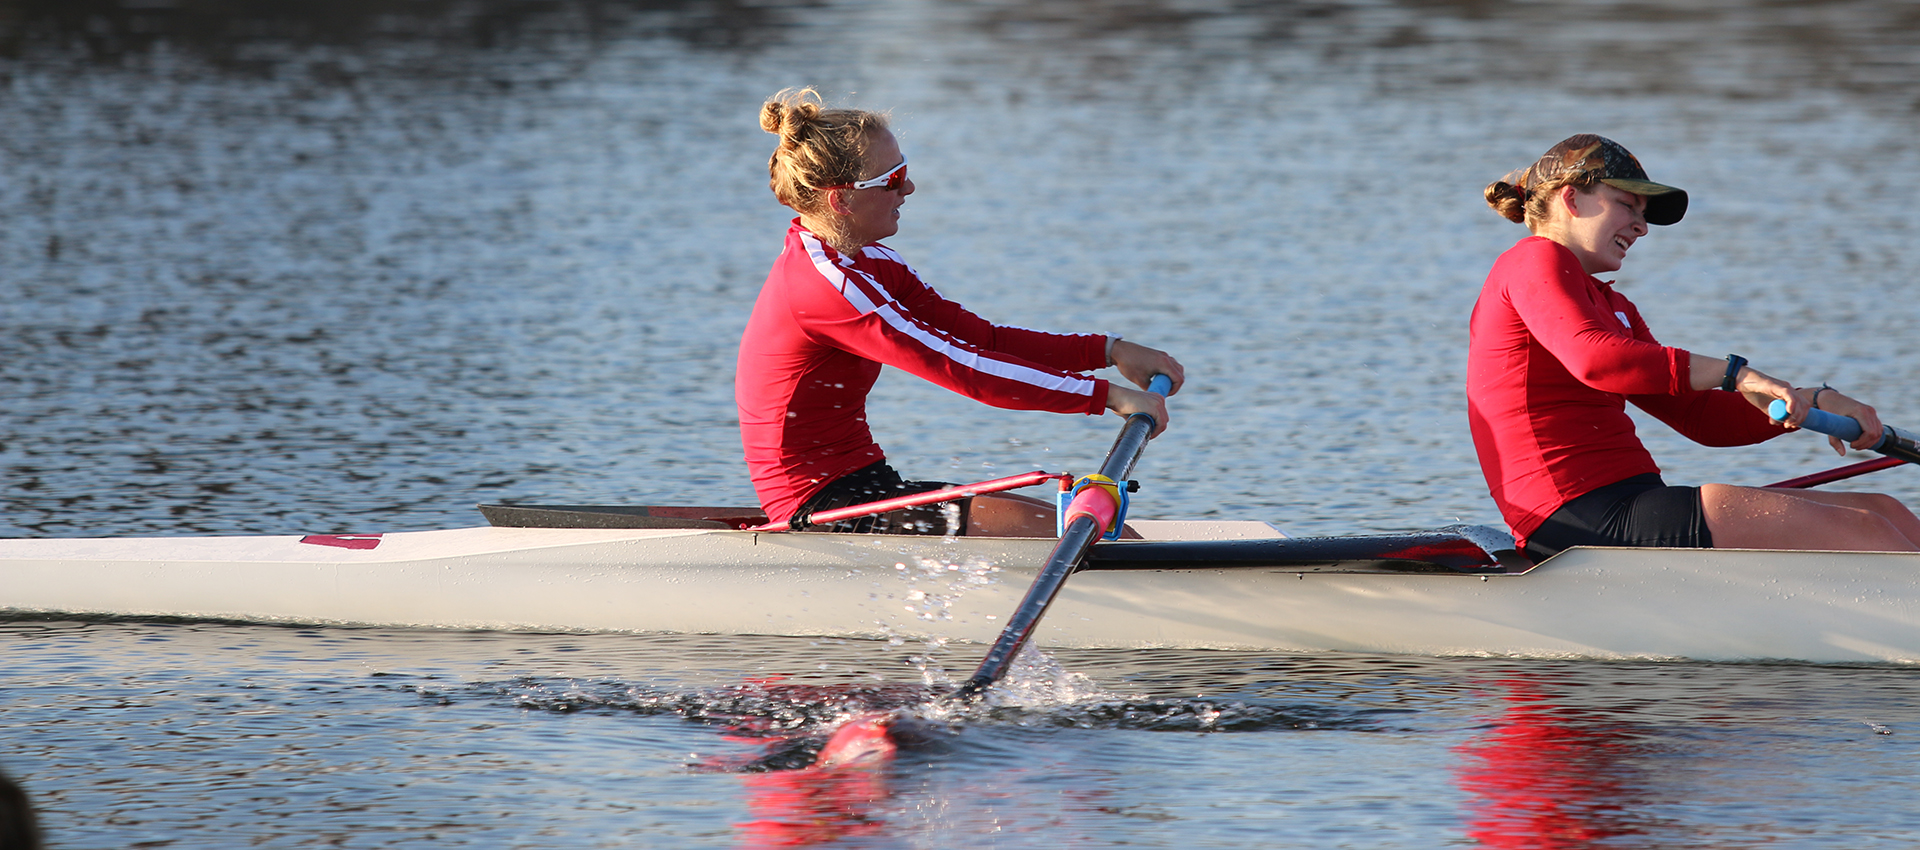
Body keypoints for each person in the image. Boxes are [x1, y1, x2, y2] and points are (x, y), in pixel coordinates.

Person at [738, 88, 1184, 537]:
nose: (909, 187)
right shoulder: (826, 290)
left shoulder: (870, 262)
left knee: (1100, 532)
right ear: (842, 200)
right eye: (892, 179)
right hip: (818, 508)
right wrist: (1106, 397)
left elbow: (982, 341)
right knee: (1101, 536)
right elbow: (961, 369)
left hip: (866, 484)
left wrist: (1110, 350)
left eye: (904, 171)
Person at [1467, 133, 1920, 560]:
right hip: (1574, 519)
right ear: (1570, 198)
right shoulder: (1531, 259)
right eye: (1627, 205)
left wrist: (1810, 401)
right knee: (1869, 533)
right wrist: (1736, 374)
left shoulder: (1615, 306)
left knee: (1886, 511)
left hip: (1632, 500)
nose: (1641, 227)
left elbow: (1699, 417)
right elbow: (1595, 359)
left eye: (1642, 213)